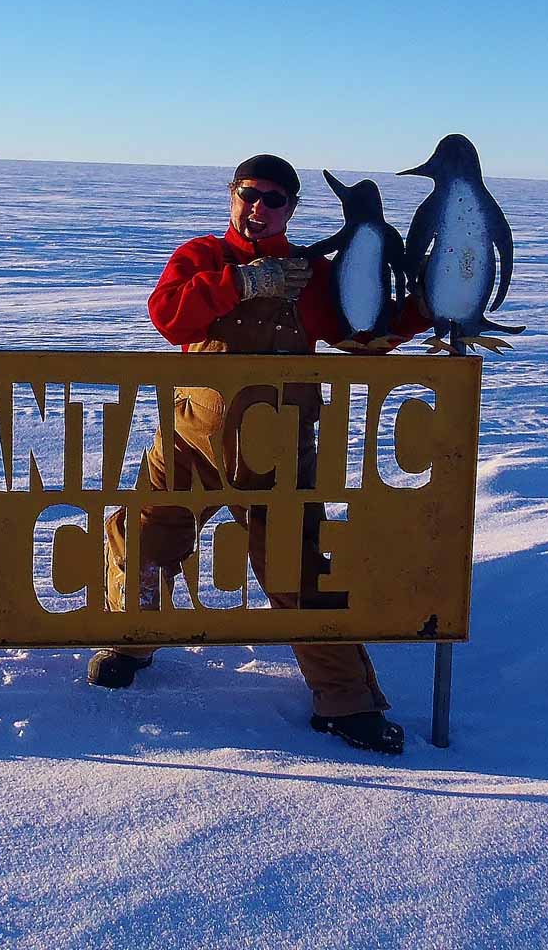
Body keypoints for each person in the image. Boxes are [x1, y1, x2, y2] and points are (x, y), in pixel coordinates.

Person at [88, 154, 429, 754]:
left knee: (299, 567)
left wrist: (431, 306)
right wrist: (243, 283)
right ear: (232, 196)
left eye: (275, 200)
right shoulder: (202, 258)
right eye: (250, 194)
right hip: (191, 441)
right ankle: (130, 639)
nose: (260, 208)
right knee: (146, 538)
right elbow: (169, 317)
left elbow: (359, 331)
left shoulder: (312, 273)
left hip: (280, 451)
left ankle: (345, 702)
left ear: (291, 208)